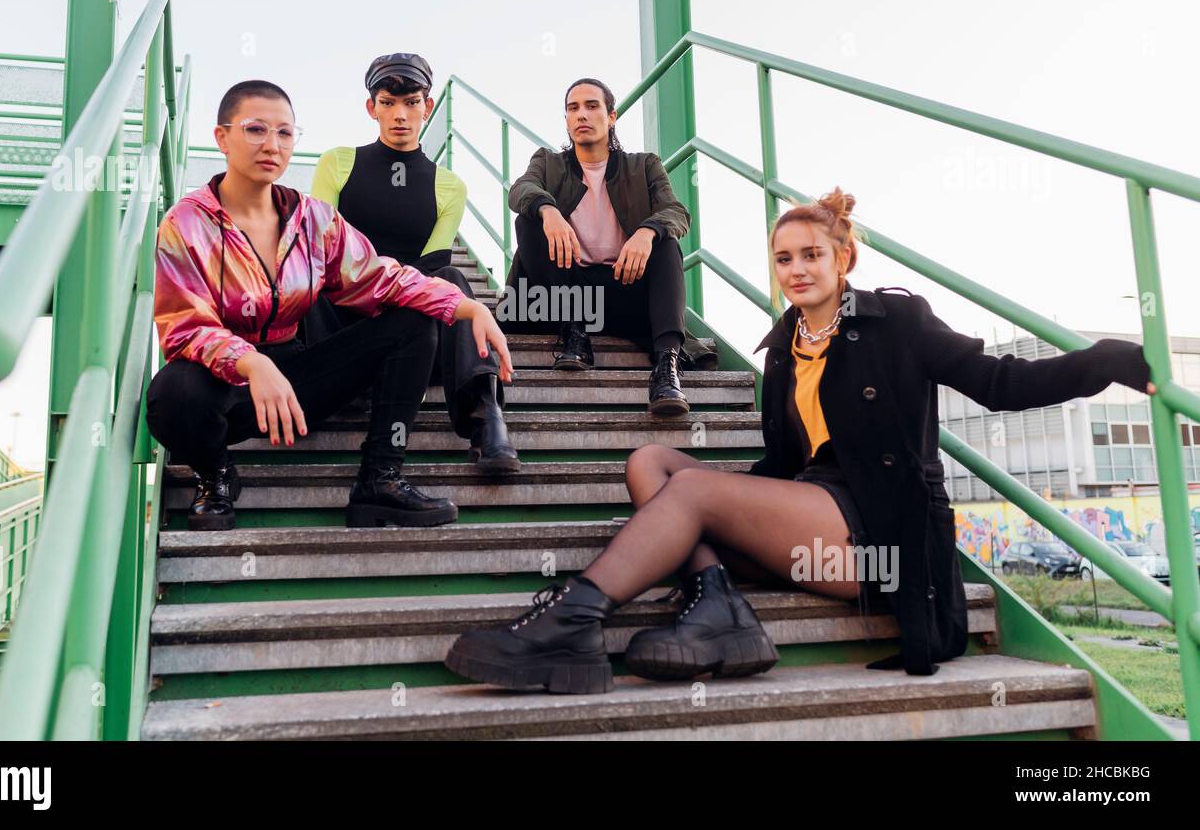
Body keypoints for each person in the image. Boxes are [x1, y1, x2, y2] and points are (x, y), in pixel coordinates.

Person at [445, 187, 1156, 694]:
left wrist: (1105, 362)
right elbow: (783, 466)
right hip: (814, 509)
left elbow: (1000, 384)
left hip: (879, 538)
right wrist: (738, 502)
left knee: (690, 490)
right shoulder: (783, 347)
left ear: (842, 258)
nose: (797, 270)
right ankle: (720, 606)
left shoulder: (898, 325)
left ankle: (576, 619)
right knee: (651, 460)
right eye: (783, 259)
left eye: (812, 254)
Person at [145, 79, 513, 532]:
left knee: (414, 322)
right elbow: (184, 327)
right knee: (172, 393)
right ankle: (215, 475)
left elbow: (380, 278)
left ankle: (380, 480)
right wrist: (251, 364)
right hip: (227, 389)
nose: (272, 145)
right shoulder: (187, 223)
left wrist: (465, 306)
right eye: (256, 130)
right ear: (222, 137)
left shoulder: (312, 219)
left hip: (298, 377)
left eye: (285, 133)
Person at [311, 53, 518, 472]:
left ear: (427, 106)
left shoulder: (449, 186)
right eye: (388, 103)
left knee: (452, 277)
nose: (400, 115)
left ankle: (485, 415)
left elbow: (430, 270)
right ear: (372, 108)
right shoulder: (338, 162)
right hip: (345, 322)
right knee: (312, 275)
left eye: (412, 102)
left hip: (416, 329)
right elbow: (323, 249)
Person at [503, 78, 699, 417]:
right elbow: (521, 189)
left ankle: (666, 367)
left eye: (592, 106)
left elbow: (677, 212)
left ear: (611, 116)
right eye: (573, 108)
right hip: (561, 296)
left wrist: (646, 232)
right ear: (566, 120)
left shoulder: (643, 165)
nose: (582, 115)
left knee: (666, 245)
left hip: (621, 289)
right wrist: (548, 210)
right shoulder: (549, 162)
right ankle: (573, 332)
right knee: (528, 220)